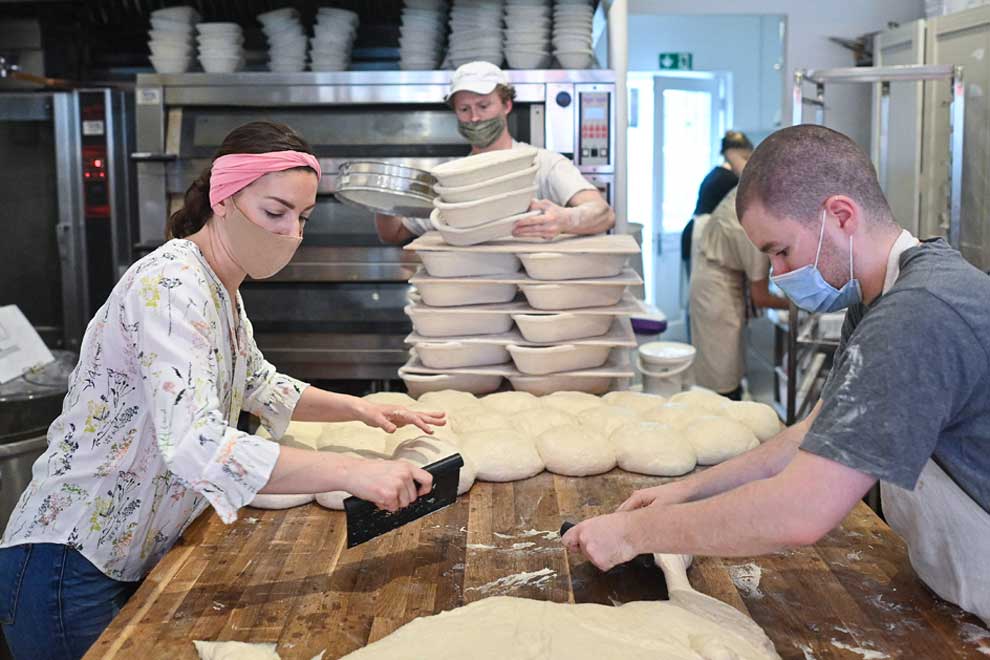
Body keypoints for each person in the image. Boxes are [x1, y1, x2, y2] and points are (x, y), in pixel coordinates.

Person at [0, 121, 446, 659]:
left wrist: (363, 411)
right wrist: (356, 472)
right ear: (224, 198)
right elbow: (197, 442)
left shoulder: (220, 289)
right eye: (274, 212)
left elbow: (257, 381)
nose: (290, 234)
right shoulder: (168, 286)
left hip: (133, 546)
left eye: (302, 218)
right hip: (68, 559)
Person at [562, 125, 990, 626]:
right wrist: (691, 490)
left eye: (782, 250)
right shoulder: (878, 297)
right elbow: (817, 434)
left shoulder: (916, 315)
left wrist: (637, 534)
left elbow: (802, 510)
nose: (780, 275)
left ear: (841, 215)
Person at [375, 61, 614, 244]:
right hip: (470, 298)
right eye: (464, 109)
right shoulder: (451, 181)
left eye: (483, 105)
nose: (475, 117)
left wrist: (564, 220)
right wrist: (378, 200)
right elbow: (395, 233)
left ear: (506, 105)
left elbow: (603, 214)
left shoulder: (544, 164)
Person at [688, 186, 789, 400]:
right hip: (716, 292)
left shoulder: (749, 192)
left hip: (715, 275)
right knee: (721, 372)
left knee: (725, 366)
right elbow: (760, 297)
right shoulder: (753, 228)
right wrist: (797, 305)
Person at [681, 130, 754, 282]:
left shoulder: (716, 172)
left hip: (694, 230)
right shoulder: (728, 179)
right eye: (746, 156)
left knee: (694, 284)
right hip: (703, 234)